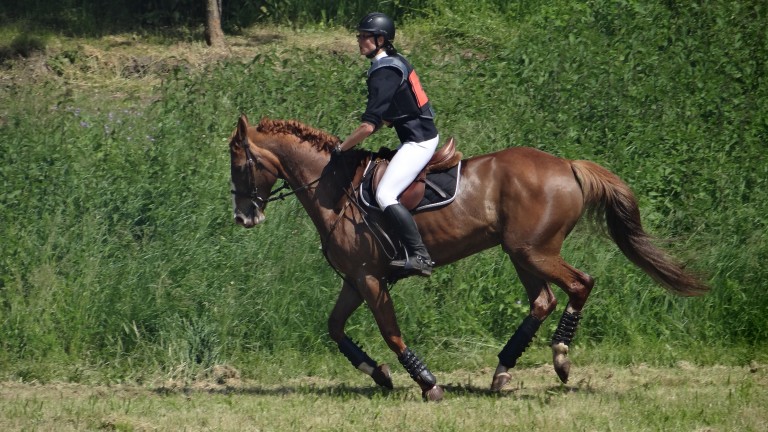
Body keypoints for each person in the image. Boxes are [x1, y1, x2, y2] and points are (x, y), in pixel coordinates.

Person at [333, 12, 438, 277]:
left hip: (419, 141)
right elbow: (388, 118)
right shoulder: (393, 62)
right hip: (417, 135)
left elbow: (369, 126)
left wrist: (341, 149)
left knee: (384, 194)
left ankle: (420, 256)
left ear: (380, 39)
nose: (359, 40)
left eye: (364, 36)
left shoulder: (385, 71)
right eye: (359, 35)